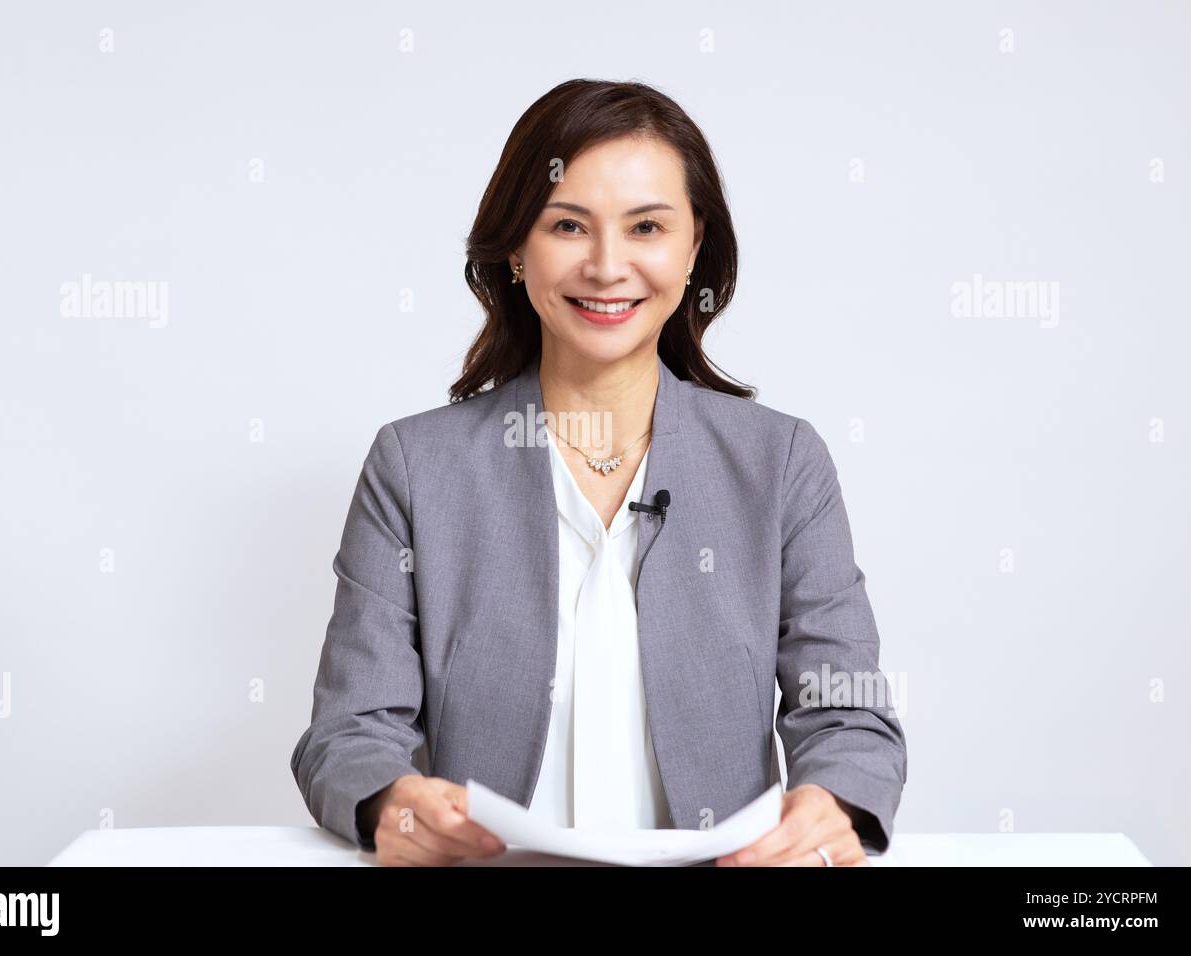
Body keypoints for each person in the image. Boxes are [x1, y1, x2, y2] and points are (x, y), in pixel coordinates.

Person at [291, 79, 906, 867]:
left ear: (693, 246)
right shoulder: (415, 467)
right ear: (517, 249)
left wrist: (832, 803)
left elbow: (847, 710)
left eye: (646, 226)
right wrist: (390, 799)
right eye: (567, 225)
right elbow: (348, 732)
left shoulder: (781, 463)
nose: (608, 266)